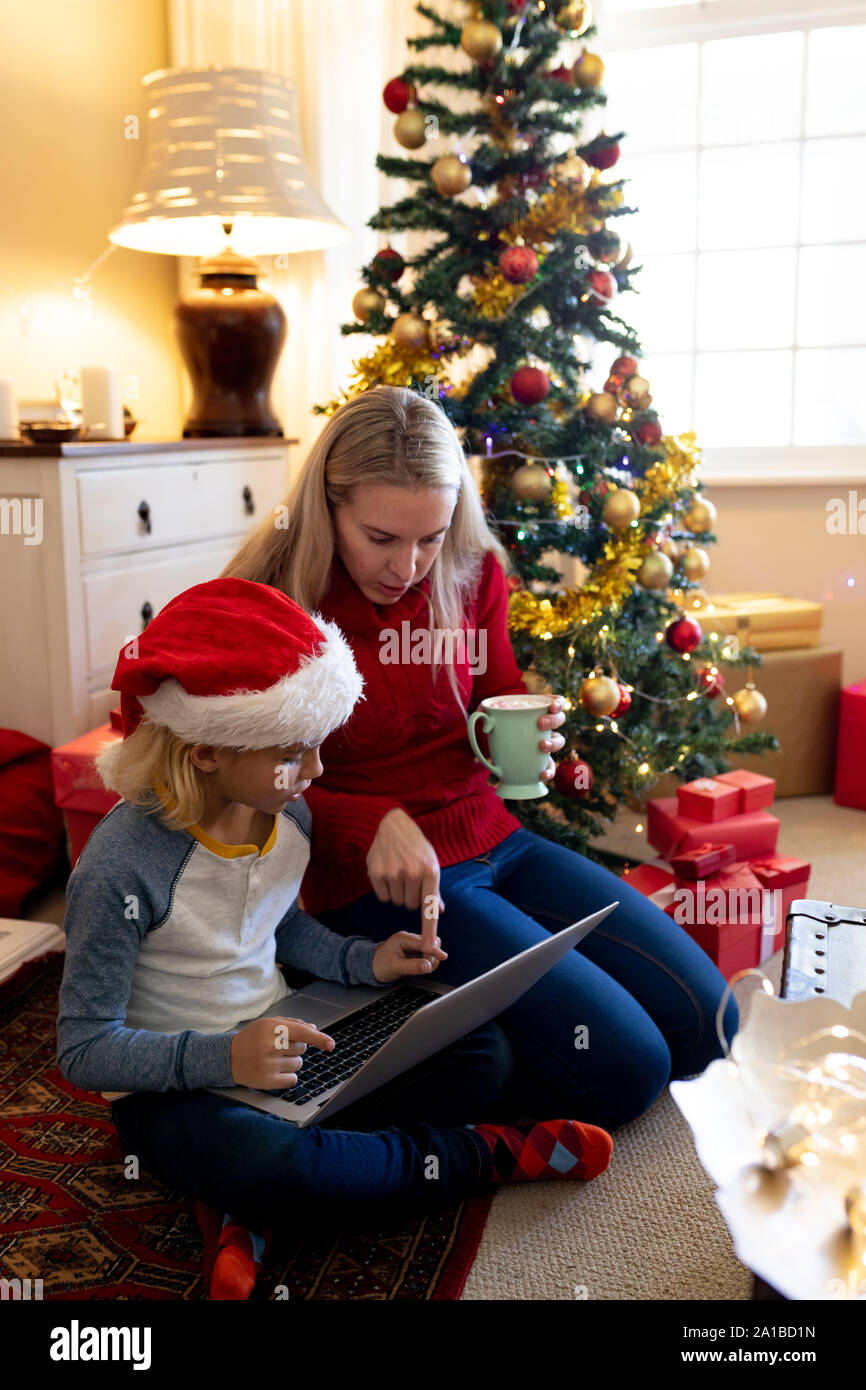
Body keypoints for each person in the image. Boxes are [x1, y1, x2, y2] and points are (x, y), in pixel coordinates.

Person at [55, 577, 614, 1300]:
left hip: (286, 1048)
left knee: (483, 1054)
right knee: (257, 1156)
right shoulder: (119, 866)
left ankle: (248, 1210)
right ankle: (479, 1156)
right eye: (297, 754)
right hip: (173, 1083)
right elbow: (84, 1047)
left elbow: (277, 924)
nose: (318, 772)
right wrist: (225, 1056)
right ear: (205, 753)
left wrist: (365, 962)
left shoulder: (287, 812)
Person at [224, 386, 739, 1134]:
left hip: (493, 835)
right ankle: (427, 1050)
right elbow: (236, 781)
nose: (408, 566)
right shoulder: (271, 599)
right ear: (325, 507)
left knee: (710, 1024)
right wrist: (364, 821)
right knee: (628, 1069)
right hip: (368, 881)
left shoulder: (469, 572)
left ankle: (450, 1024)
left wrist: (526, 729)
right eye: (380, 537)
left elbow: (492, 695)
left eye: (429, 536)